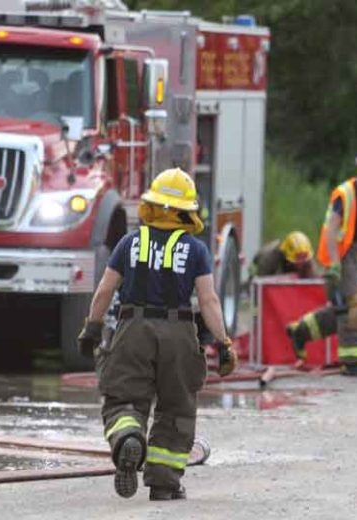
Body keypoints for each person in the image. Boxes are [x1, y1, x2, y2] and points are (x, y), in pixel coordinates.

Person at [76, 168, 237, 501]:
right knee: (176, 408)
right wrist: (222, 343)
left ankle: (128, 436)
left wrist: (91, 329)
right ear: (186, 211)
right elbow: (208, 300)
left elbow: (105, 289)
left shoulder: (130, 243)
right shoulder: (195, 249)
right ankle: (164, 483)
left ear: (152, 205)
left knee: (123, 398)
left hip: (132, 329)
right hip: (179, 333)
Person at [286, 149, 357, 375]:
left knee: (342, 310)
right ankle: (352, 362)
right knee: (355, 305)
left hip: (354, 256)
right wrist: (335, 264)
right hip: (341, 256)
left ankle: (301, 331)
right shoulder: (345, 194)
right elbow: (331, 230)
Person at [249, 231, 315, 280]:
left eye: (304, 257)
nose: (301, 262)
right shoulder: (268, 258)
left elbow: (313, 280)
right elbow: (260, 283)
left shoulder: (307, 259)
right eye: (298, 257)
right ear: (288, 255)